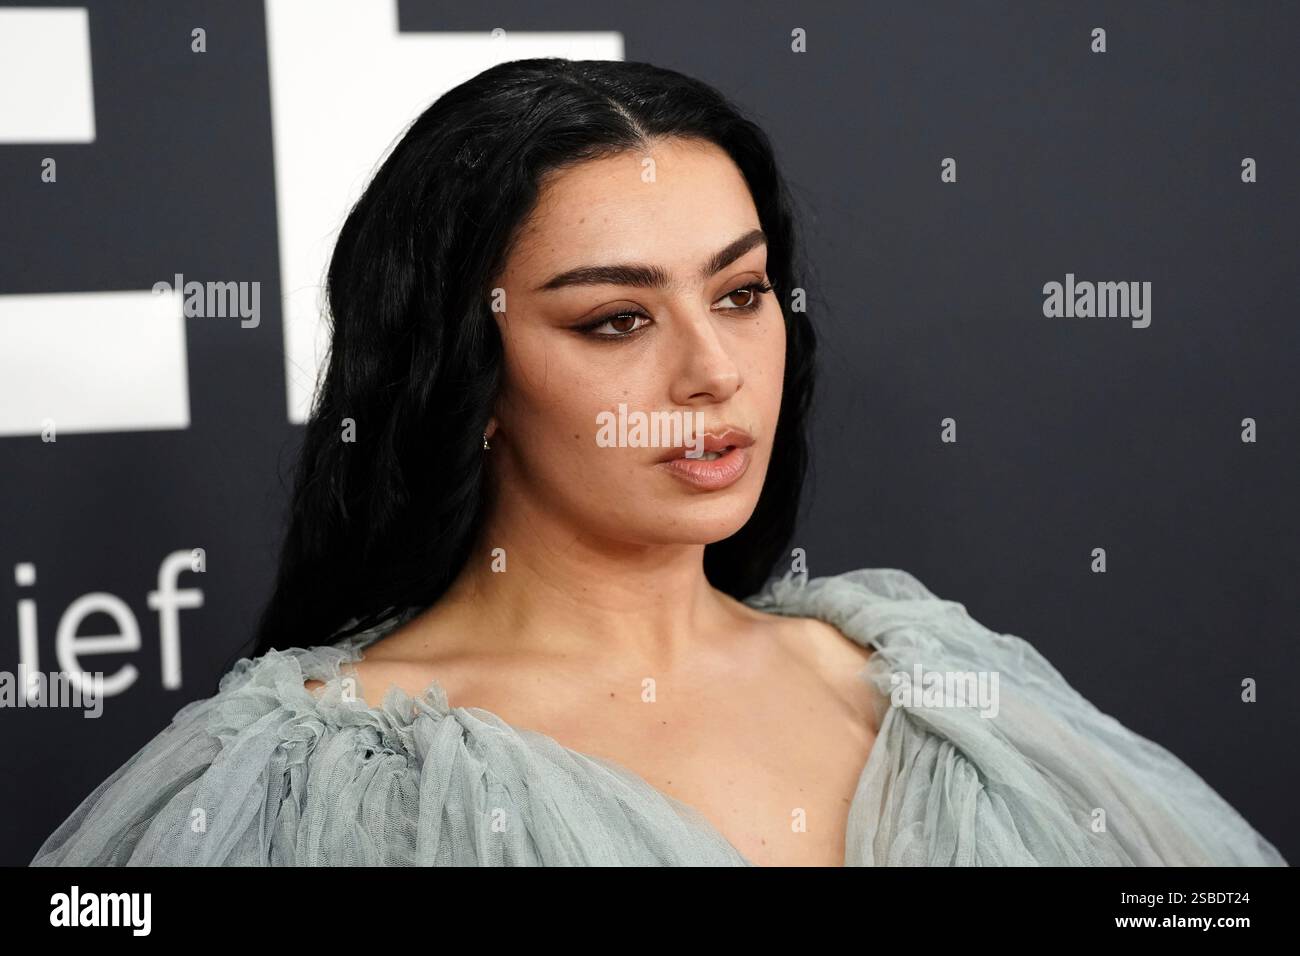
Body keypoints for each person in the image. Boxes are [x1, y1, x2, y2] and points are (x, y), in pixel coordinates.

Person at [31, 58, 1286, 867]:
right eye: (615, 319)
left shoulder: (933, 682)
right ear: (465, 378)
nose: (711, 370)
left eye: (740, 294)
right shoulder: (295, 779)